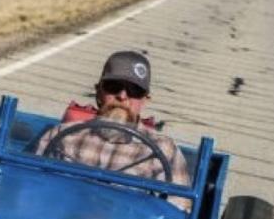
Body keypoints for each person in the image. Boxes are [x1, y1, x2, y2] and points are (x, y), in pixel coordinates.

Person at [35, 51, 191, 210]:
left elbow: (177, 212)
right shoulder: (61, 136)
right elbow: (31, 189)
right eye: (113, 86)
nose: (122, 96)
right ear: (98, 91)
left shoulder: (164, 150)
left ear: (144, 100)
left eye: (134, 90)